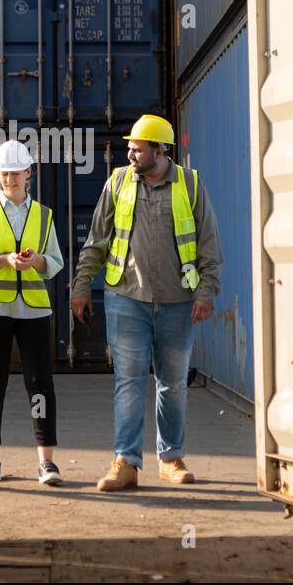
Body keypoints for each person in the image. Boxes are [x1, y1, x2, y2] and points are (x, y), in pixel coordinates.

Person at [70, 114, 222, 491]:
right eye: (129, 148)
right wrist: (81, 285)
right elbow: (98, 239)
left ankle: (170, 458)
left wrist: (206, 291)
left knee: (172, 383)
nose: (130, 153)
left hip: (177, 302)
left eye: (137, 148)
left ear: (160, 150)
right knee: (129, 382)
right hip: (126, 298)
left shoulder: (190, 184)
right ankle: (126, 462)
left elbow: (208, 243)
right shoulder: (119, 181)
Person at [0, 140, 65, 486]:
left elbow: (54, 263)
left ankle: (46, 461)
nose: (12, 178)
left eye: (18, 172)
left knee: (40, 385)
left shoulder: (44, 215)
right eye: (6, 173)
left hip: (34, 310)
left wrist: (36, 261)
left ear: (30, 172)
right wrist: (4, 261)